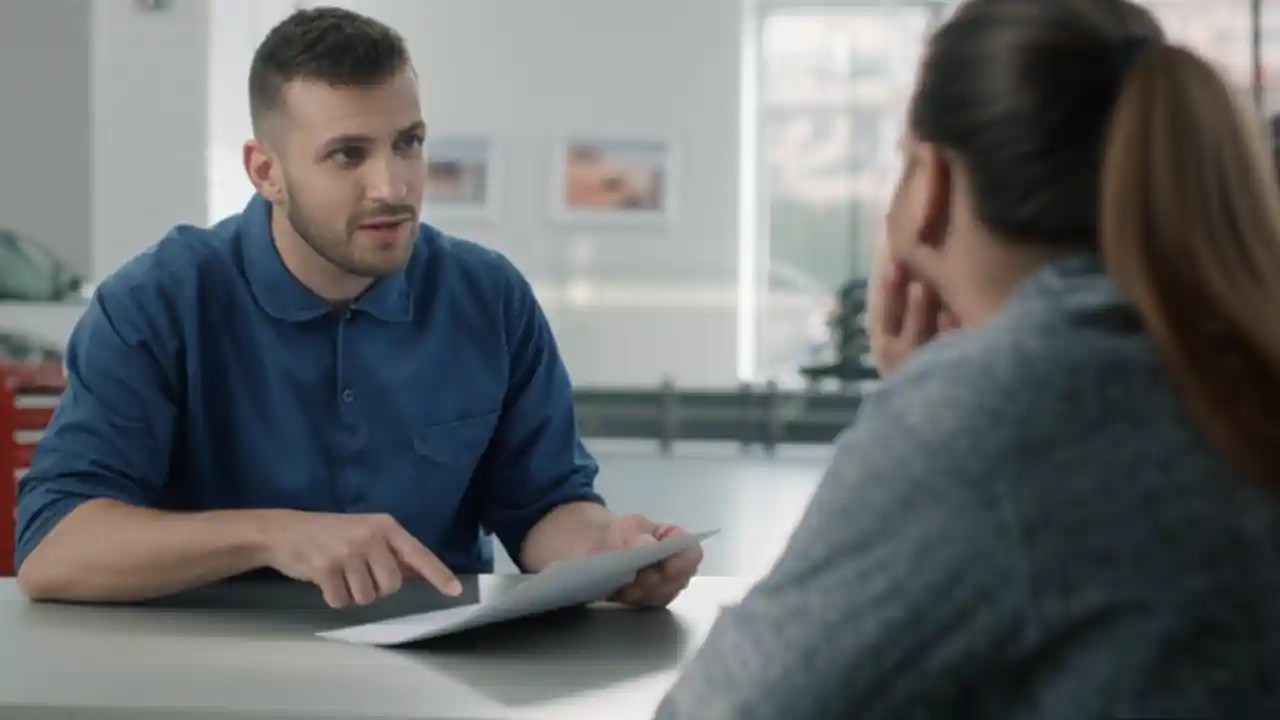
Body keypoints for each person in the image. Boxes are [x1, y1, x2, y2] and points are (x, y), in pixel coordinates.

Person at [657, 0, 1280, 717]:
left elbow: (723, 710)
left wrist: (920, 412)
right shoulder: (1231, 352)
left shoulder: (995, 412)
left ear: (932, 186)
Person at [14, 7, 702, 610]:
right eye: (348, 154)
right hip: (205, 678)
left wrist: (610, 552)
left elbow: (545, 508)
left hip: (436, 677)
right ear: (266, 172)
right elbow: (54, 549)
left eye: (408, 143)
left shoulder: (489, 298)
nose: (392, 186)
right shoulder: (156, 304)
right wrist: (273, 534)